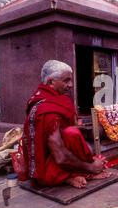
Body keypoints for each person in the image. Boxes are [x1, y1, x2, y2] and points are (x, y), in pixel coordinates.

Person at [22, 60, 109, 188]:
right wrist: (90, 167)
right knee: (72, 132)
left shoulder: (45, 98)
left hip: (53, 160)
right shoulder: (47, 110)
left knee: (71, 131)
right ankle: (74, 174)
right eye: (66, 80)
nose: (70, 85)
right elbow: (61, 157)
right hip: (46, 172)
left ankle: (71, 175)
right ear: (51, 81)